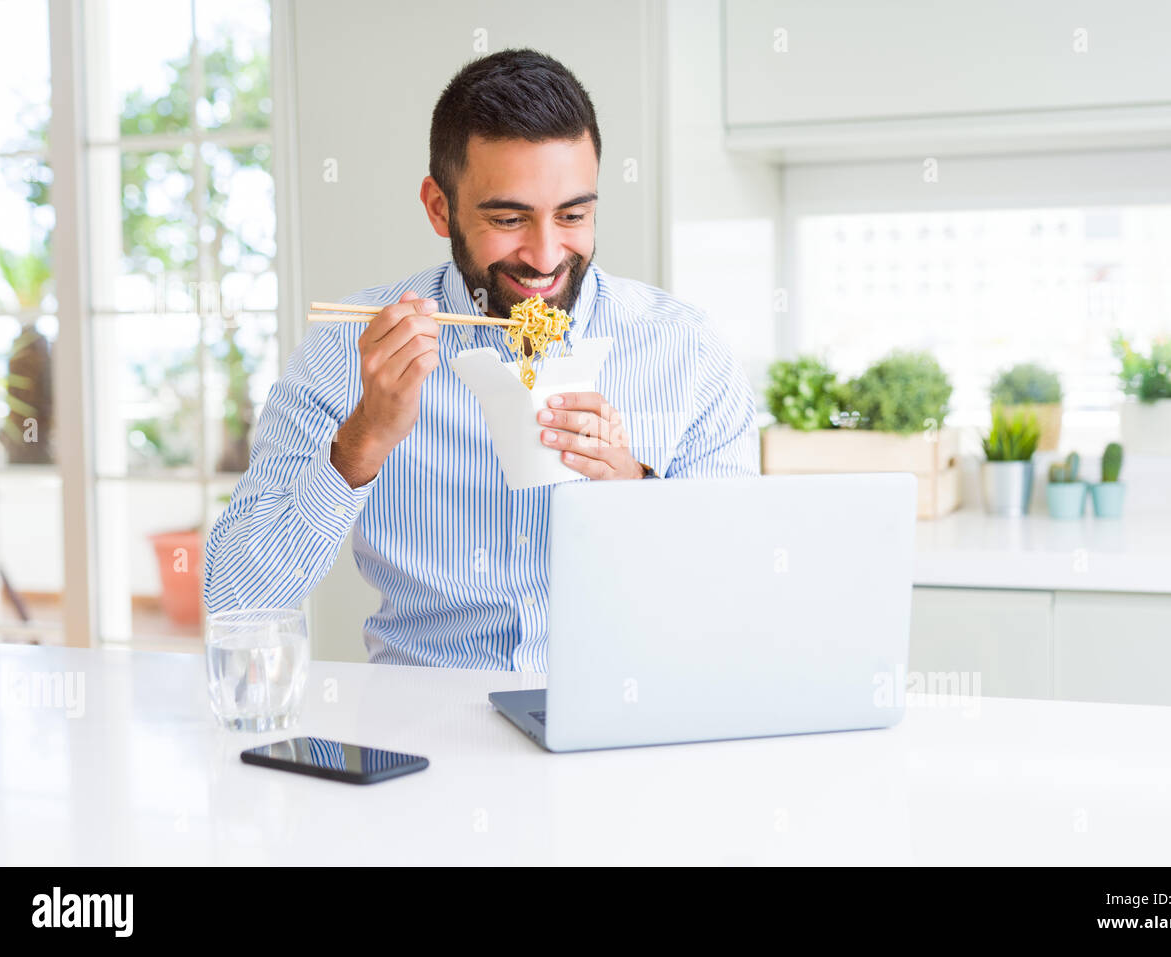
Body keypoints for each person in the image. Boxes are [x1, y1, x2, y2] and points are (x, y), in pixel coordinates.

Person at [204, 49, 758, 668]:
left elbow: (738, 588)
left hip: (624, 717)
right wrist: (363, 441)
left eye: (573, 215)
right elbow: (234, 596)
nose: (546, 256)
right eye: (509, 218)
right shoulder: (351, 347)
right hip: (423, 727)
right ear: (440, 208)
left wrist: (632, 488)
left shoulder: (685, 347)